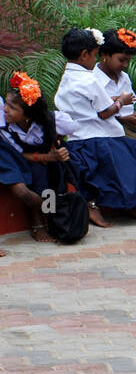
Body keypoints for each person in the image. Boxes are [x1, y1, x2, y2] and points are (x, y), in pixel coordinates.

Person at [54, 27, 136, 220]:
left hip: (77, 136)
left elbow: (89, 102)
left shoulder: (68, 76)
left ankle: (127, 204)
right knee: (131, 160)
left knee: (133, 151)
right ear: (84, 54)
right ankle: (97, 205)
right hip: (96, 136)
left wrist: (114, 99)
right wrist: (120, 101)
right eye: (95, 56)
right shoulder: (89, 79)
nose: (95, 61)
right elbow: (105, 113)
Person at [1, 71, 98, 245]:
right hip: (28, 161)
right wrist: (45, 156)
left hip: (54, 161)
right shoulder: (7, 129)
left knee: (67, 171)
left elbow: (69, 130)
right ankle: (39, 220)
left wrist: (56, 144)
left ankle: (78, 208)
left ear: (28, 115)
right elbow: (18, 154)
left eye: (12, 108)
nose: (5, 109)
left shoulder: (50, 120)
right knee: (38, 177)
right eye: (6, 103)